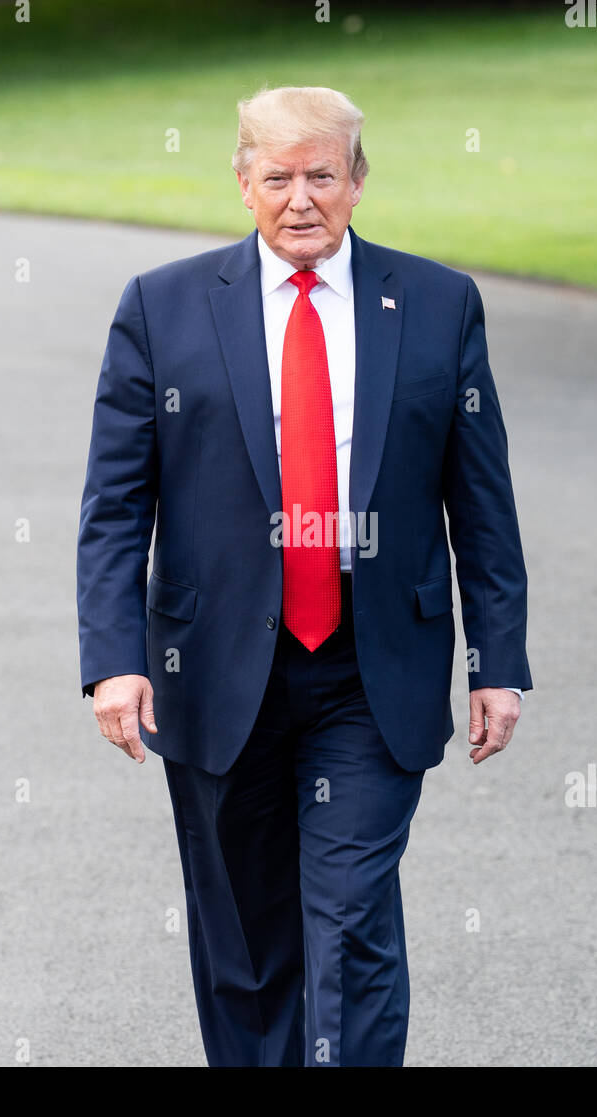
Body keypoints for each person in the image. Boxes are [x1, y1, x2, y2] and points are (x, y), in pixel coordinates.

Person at [77, 85, 531, 1066]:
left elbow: (481, 498)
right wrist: (114, 658)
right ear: (241, 183)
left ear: (358, 183)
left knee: (352, 915)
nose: (299, 198)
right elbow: (115, 507)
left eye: (321, 175)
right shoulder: (162, 308)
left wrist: (499, 659)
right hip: (217, 667)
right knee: (246, 937)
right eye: (276, 176)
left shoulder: (439, 303)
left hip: (374, 668)